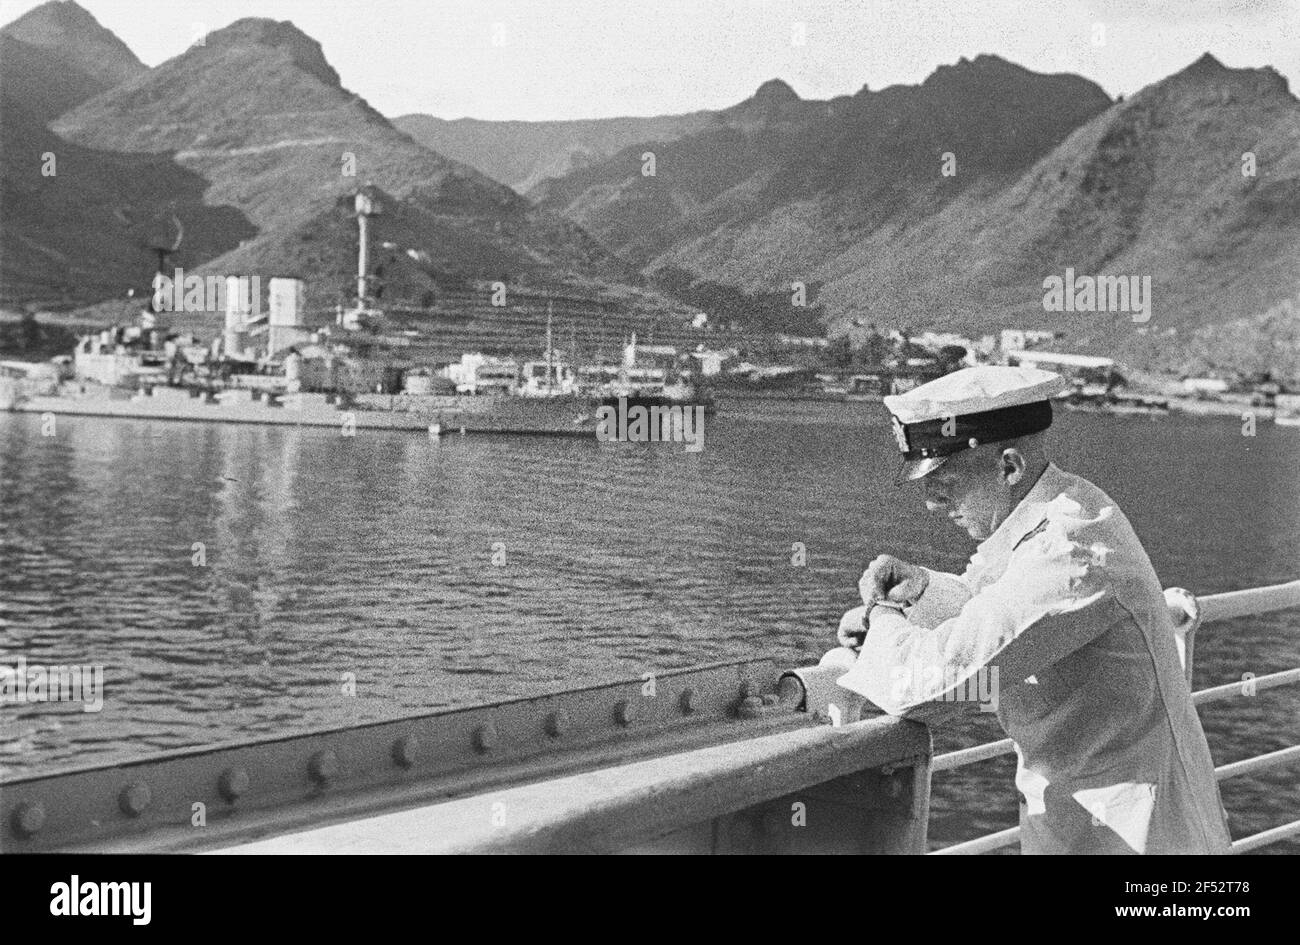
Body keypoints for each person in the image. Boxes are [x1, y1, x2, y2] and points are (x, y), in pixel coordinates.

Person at [836, 364, 1232, 854]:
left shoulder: (1071, 552)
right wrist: (919, 591)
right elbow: (997, 609)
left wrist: (881, 621)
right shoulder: (1053, 511)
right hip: (1089, 821)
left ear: (1008, 467)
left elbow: (930, 687)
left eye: (944, 481)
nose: (933, 504)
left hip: (1140, 835)